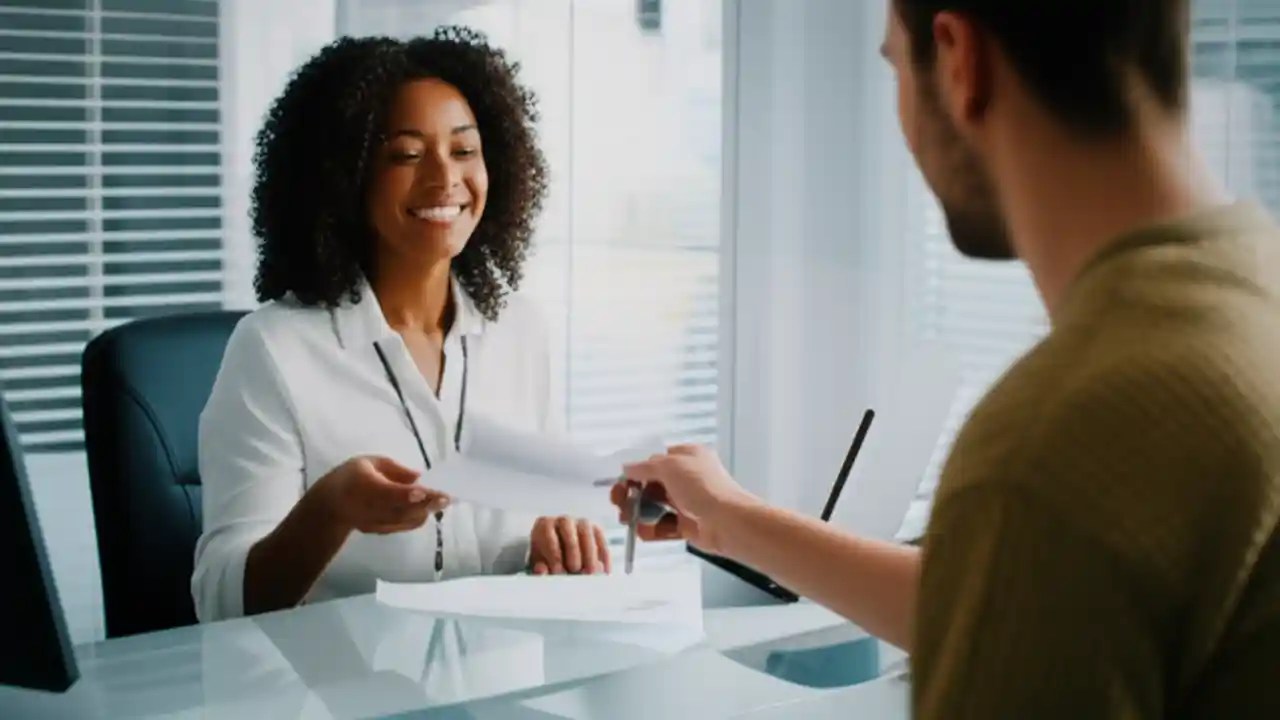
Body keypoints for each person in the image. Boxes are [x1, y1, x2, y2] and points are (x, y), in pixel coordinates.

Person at [615, 1, 1280, 717]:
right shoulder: (1252, 292)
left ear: (960, 60)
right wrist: (732, 518)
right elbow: (1024, 606)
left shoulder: (1052, 443)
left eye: (896, 66)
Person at [194, 28, 610, 623]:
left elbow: (547, 521)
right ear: (347, 177)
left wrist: (560, 540)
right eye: (408, 155)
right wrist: (331, 509)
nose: (446, 179)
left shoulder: (520, 330)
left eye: (464, 151)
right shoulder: (275, 349)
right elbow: (221, 603)